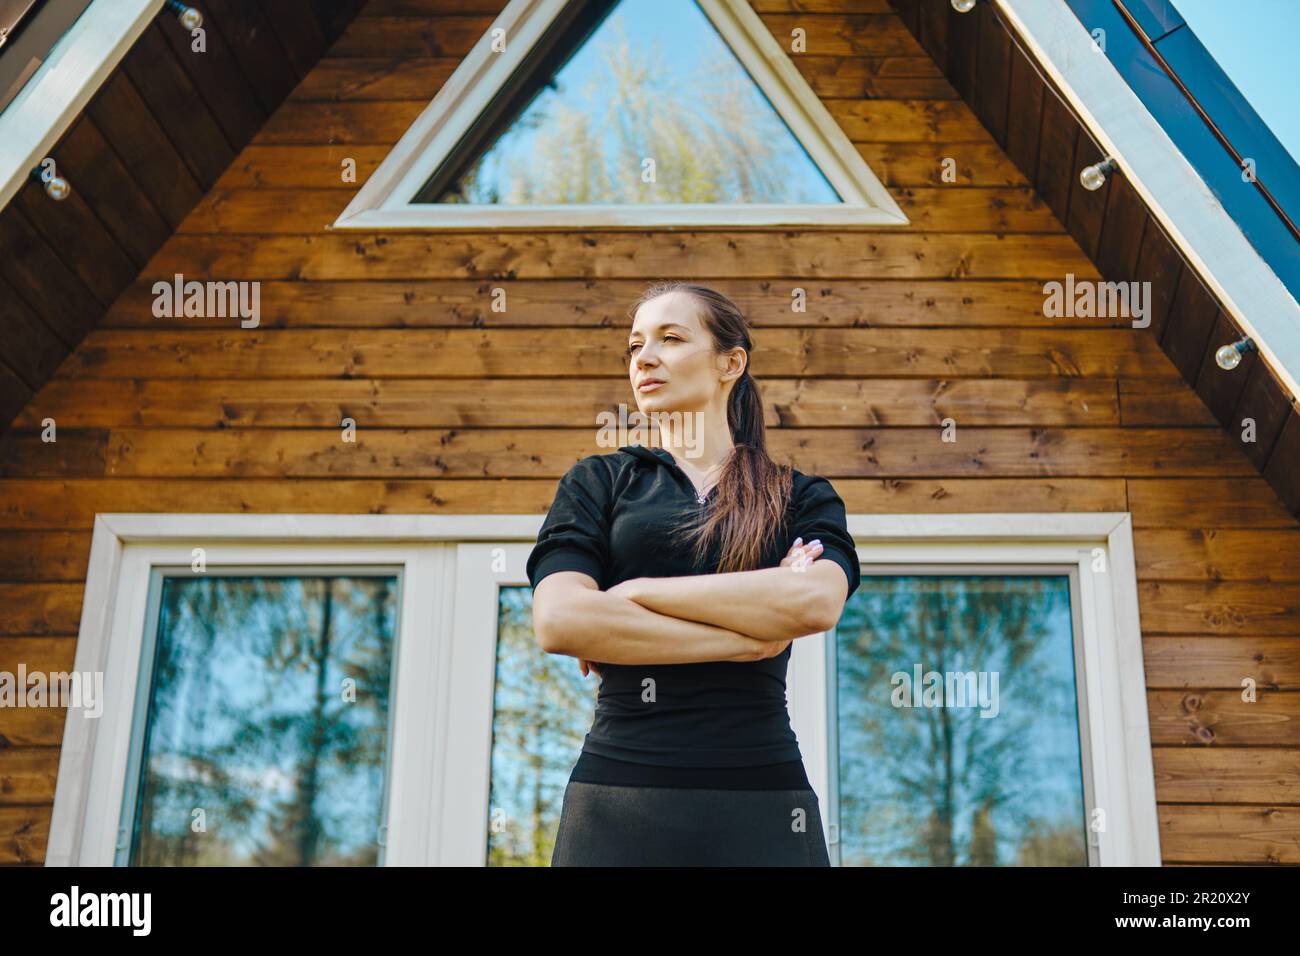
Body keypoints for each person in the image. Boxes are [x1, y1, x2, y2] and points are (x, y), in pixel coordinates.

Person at [527, 281, 861, 866]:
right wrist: (751, 637)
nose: (644, 358)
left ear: (731, 363)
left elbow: (813, 603)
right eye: (635, 346)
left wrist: (634, 594)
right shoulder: (600, 482)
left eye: (671, 338)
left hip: (763, 797)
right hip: (616, 797)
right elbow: (560, 619)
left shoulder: (798, 496)